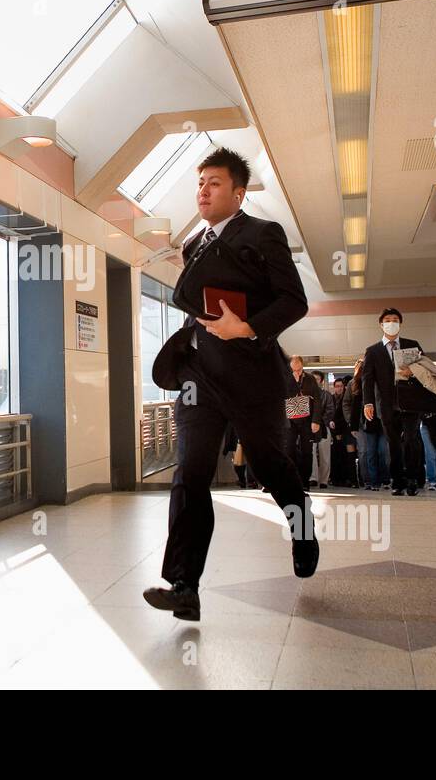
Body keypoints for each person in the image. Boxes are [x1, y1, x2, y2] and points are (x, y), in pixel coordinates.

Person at [145, 148, 318, 621]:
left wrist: (248, 328)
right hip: (200, 379)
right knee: (191, 473)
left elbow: (294, 301)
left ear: (238, 193)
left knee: (271, 466)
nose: (202, 190)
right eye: (199, 182)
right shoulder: (192, 245)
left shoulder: (264, 234)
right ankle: (184, 584)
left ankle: (302, 530)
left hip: (253, 375)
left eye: (214, 182)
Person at [360, 308, 426, 496]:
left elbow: (425, 370)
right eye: (387, 320)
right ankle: (398, 481)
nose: (391, 322)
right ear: (381, 324)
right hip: (387, 404)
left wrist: (414, 372)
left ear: (400, 323)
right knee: (393, 443)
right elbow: (367, 379)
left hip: (411, 402)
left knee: (411, 440)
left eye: (395, 319)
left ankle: (413, 479)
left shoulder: (412, 345)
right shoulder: (372, 351)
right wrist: (368, 403)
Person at [350, 356, 390, 490]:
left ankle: (385, 479)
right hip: (369, 424)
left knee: (382, 452)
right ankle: (373, 482)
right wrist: (354, 426)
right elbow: (355, 407)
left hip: (383, 423)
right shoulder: (360, 384)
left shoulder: (381, 382)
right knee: (371, 452)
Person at [286, 355, 323, 490]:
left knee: (307, 451)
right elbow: (284, 396)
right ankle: (292, 479)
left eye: (299, 369)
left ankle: (304, 481)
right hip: (290, 420)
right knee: (289, 450)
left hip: (307, 420)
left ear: (303, 367)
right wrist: (295, 383)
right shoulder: (286, 378)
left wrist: (316, 420)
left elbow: (318, 400)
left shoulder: (310, 378)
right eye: (294, 370)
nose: (297, 372)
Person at [329, 378, 355, 486]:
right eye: (337, 386)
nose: (339, 388)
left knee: (345, 456)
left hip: (344, 430)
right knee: (335, 455)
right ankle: (335, 478)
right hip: (333, 431)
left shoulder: (346, 399)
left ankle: (347, 478)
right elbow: (329, 413)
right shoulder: (331, 399)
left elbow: (345, 416)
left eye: (341, 386)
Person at [312, 371, 334, 487]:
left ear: (321, 381)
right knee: (311, 453)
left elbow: (330, 411)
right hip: (310, 428)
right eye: (313, 378)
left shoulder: (327, 395)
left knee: (325, 454)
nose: (315, 381)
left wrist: (319, 422)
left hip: (324, 427)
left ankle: (324, 480)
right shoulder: (306, 395)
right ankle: (313, 478)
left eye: (317, 379)